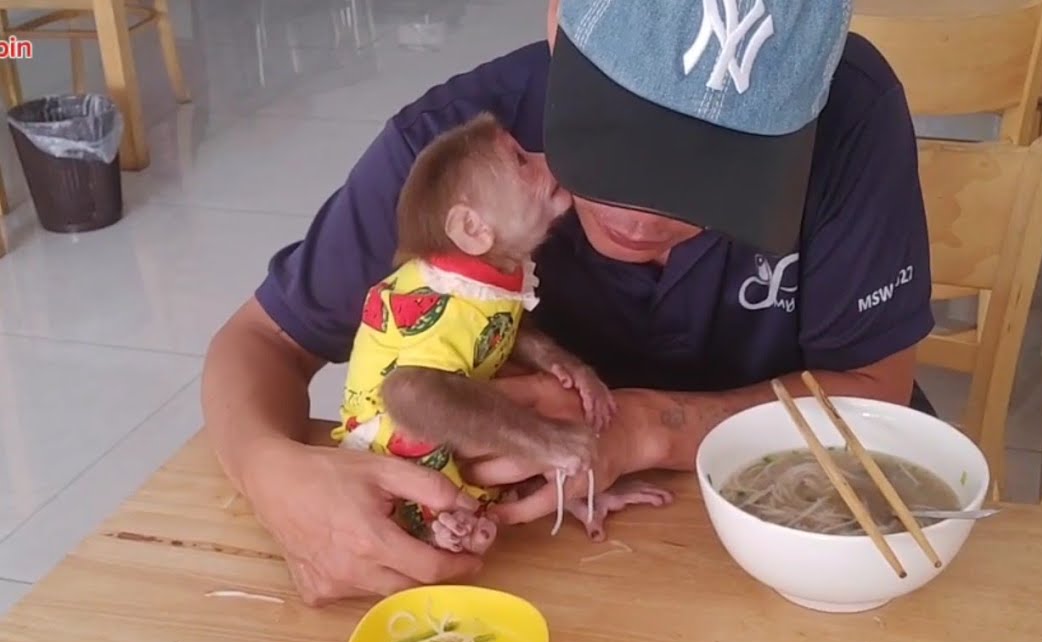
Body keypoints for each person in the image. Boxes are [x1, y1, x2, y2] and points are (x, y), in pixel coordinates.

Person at [201, 0, 937, 607]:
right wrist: (271, 473)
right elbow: (264, 340)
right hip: (533, 571)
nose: (644, 216)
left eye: (715, 173)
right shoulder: (462, 156)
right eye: (619, 143)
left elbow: (877, 388)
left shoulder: (850, 118)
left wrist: (646, 428)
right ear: (558, 20)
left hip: (795, 550)